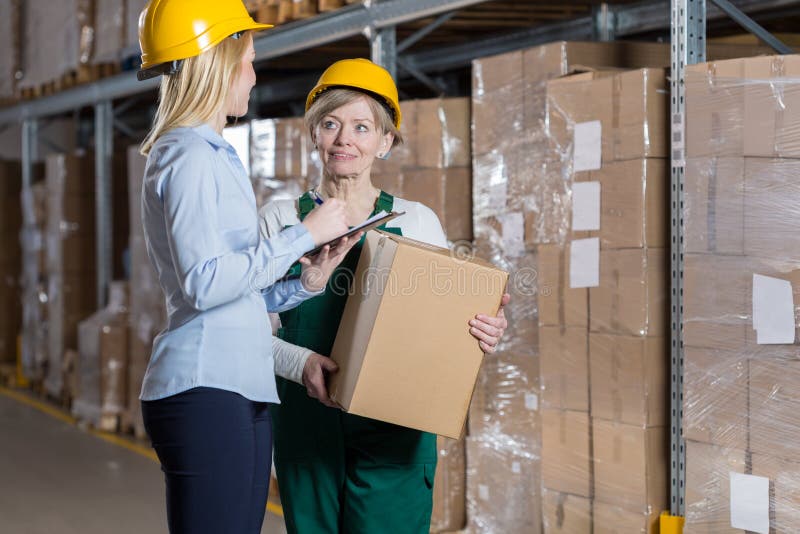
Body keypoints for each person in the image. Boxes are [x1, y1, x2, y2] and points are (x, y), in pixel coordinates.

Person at [259, 58, 511, 534]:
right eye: (330, 124)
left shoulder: (417, 222)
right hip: (306, 420)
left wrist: (482, 329)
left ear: (385, 141)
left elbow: (449, 324)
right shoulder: (280, 222)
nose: (344, 140)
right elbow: (247, 330)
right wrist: (301, 363)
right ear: (314, 133)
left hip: (396, 421)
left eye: (362, 127)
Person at [135, 2, 360, 533]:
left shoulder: (212, 153)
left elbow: (232, 290)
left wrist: (302, 283)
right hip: (205, 388)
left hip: (238, 385)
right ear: (219, 61)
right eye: (250, 59)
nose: (254, 75)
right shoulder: (188, 154)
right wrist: (304, 233)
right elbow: (203, 283)